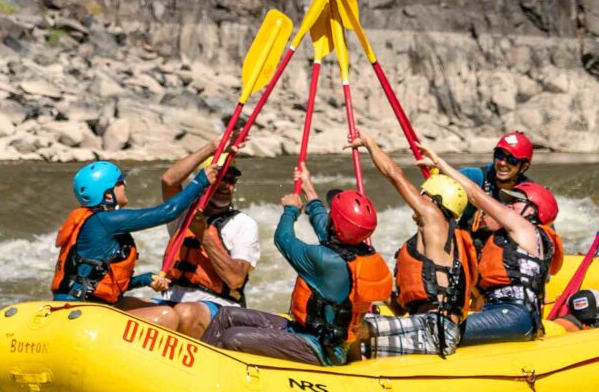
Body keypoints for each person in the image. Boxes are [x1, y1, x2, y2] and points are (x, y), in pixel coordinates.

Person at [200, 166, 391, 365]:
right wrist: (307, 186)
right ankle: (199, 366)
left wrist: (290, 210)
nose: (328, 215)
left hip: (321, 349)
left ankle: (212, 376)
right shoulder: (356, 249)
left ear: (336, 225)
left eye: (332, 214)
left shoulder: (324, 259)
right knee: (226, 315)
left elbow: (283, 239)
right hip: (304, 331)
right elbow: (321, 220)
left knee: (233, 337)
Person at [351, 133, 476, 359]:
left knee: (351, 330)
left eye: (423, 195)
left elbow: (395, 175)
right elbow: (402, 310)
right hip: (425, 325)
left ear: (435, 201)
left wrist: (370, 144)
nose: (418, 200)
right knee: (355, 319)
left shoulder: (433, 217)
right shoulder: (437, 240)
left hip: (435, 330)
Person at [420, 144, 556, 344]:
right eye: (499, 156)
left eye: (514, 203)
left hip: (515, 315)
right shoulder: (511, 240)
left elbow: (475, 195)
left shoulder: (526, 229)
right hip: (496, 307)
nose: (507, 206)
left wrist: (439, 162)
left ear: (532, 211)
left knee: (440, 329)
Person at [137, 139, 261, 335]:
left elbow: (236, 279)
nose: (225, 186)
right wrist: (213, 146)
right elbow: (169, 180)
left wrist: (203, 234)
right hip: (173, 299)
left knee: (185, 313)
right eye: (220, 178)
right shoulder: (183, 213)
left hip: (220, 306)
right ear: (206, 180)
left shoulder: (244, 224)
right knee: (127, 305)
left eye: (231, 180)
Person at [51, 160, 209, 307]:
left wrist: (145, 279)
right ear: (107, 194)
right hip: (85, 306)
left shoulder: (94, 222)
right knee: (166, 313)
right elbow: (167, 212)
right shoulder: (105, 221)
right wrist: (201, 181)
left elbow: (101, 280)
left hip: (78, 303)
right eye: (119, 182)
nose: (124, 184)